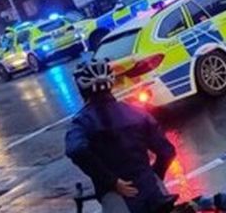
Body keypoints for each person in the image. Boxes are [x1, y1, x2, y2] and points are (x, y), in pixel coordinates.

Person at [66, 59, 176, 213]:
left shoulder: (82, 122)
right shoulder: (135, 112)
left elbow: (76, 150)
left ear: (81, 89)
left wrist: (111, 182)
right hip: (153, 194)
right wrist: (152, 176)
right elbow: (167, 151)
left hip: (117, 198)